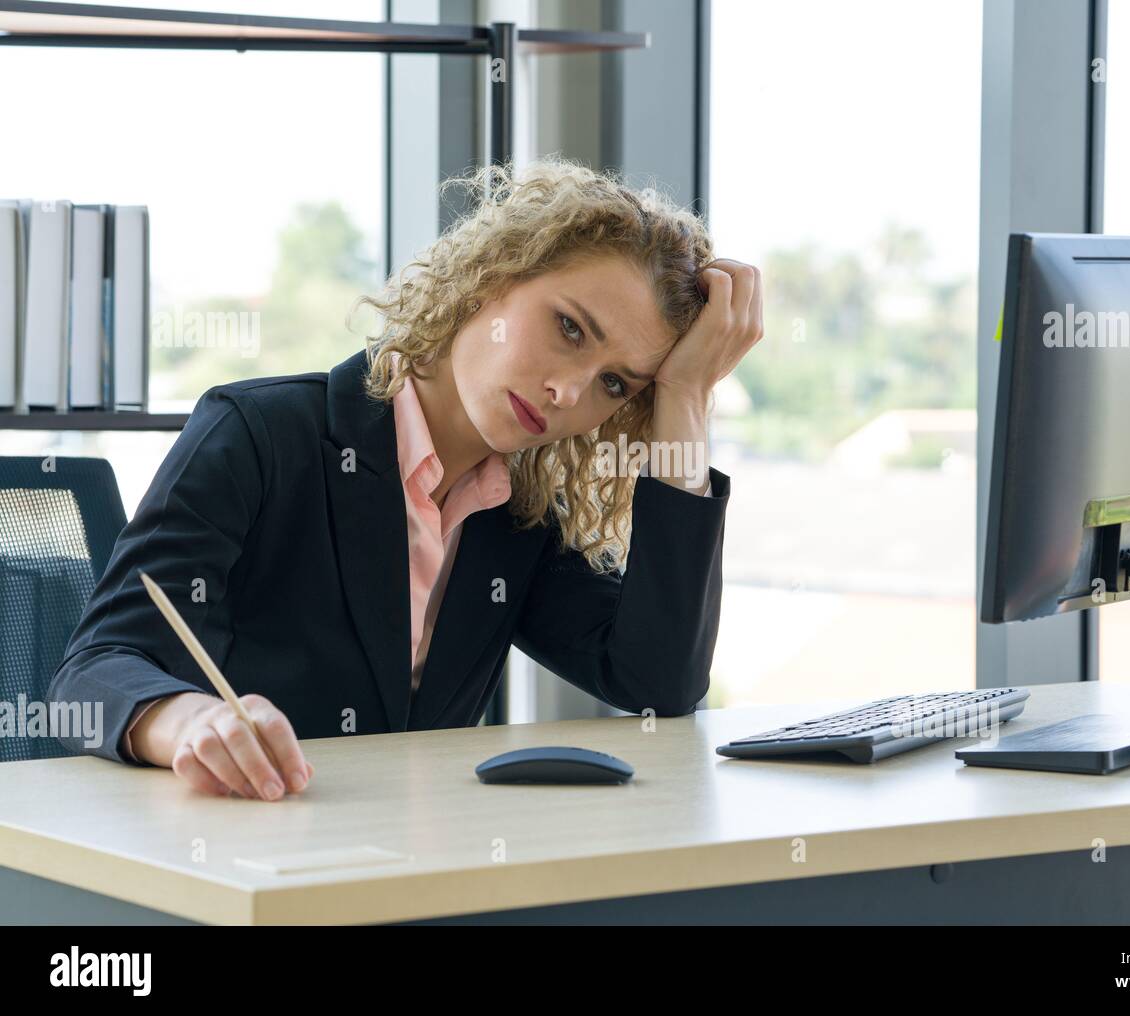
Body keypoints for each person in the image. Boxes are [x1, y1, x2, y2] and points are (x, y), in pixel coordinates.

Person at [46, 157, 764, 801]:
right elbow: (94, 669)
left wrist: (686, 398)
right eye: (569, 328)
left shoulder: (518, 516)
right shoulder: (260, 435)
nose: (568, 393)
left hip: (413, 876)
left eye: (613, 383)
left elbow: (656, 681)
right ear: (494, 277)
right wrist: (189, 720)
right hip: (243, 867)